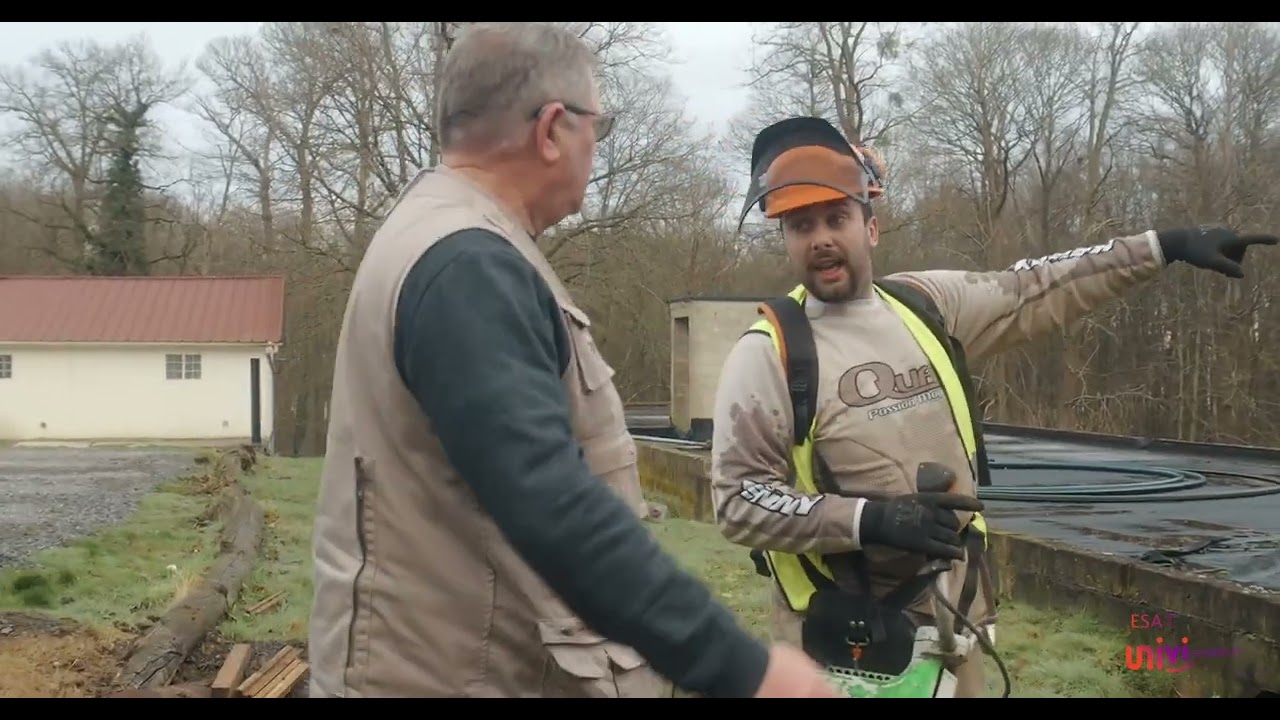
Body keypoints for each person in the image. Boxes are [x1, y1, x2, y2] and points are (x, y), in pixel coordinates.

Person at [306, 24, 839, 699]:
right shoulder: (469, 267)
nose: (596, 145)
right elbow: (551, 503)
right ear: (553, 129)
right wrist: (747, 671)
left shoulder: (443, 238)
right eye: (599, 125)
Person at [710, 115, 1277, 698]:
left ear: (870, 227)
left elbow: (1038, 286)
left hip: (957, 621)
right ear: (785, 239)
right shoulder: (769, 354)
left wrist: (1165, 246)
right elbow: (735, 502)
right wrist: (867, 520)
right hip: (846, 649)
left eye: (837, 218)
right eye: (802, 225)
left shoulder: (926, 305)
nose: (822, 237)